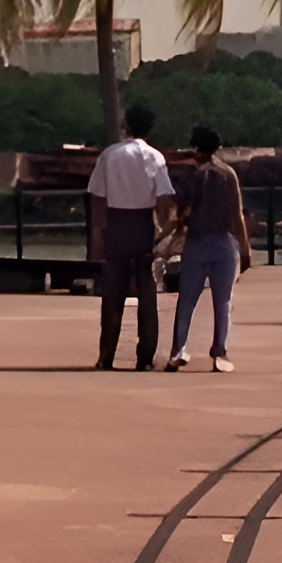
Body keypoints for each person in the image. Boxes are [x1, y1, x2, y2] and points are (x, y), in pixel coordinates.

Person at [89, 105, 174, 371]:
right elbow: (165, 199)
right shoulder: (154, 157)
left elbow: (98, 198)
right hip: (142, 224)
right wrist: (162, 231)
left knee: (112, 293)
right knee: (147, 294)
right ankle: (145, 357)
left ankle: (106, 355)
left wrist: (98, 233)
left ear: (126, 125)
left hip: (116, 224)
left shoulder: (109, 155)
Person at [167, 125, 253, 373]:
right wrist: (245, 250)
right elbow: (237, 214)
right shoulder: (228, 174)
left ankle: (178, 350)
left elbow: (180, 213)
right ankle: (220, 352)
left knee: (187, 300)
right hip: (224, 244)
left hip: (196, 243)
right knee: (223, 302)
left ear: (195, 147)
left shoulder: (189, 177)